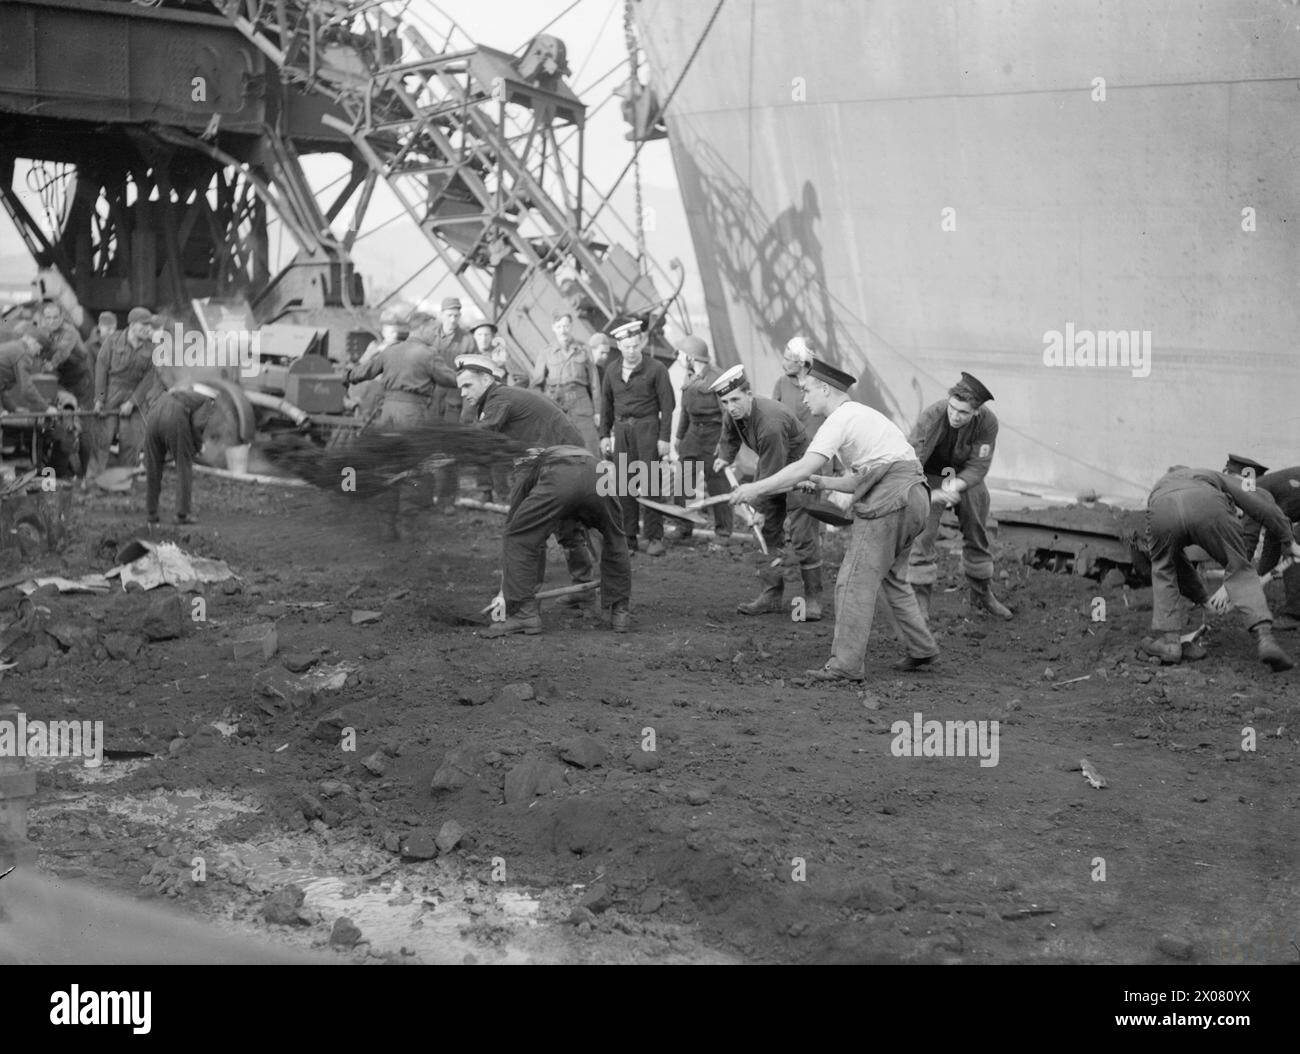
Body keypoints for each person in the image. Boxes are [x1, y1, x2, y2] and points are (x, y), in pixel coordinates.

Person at [730, 358, 940, 681]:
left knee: (852, 581)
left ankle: (846, 665)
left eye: (808, 390)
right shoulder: (864, 416)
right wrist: (824, 483)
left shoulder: (838, 420)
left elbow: (802, 467)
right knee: (893, 578)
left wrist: (754, 488)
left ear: (826, 389)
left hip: (891, 501)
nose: (803, 398)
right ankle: (922, 646)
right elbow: (864, 477)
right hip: (916, 497)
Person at [456, 352, 607, 619]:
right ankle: (583, 589)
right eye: (460, 388)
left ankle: (520, 602)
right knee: (568, 527)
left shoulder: (498, 398)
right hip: (572, 464)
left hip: (546, 465)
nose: (463, 393)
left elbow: (481, 437)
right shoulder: (507, 397)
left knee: (521, 529)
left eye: (468, 385)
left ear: (487, 379)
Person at [1143, 464, 1298, 670]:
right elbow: (1258, 502)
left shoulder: (1159, 487)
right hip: (1208, 505)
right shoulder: (1205, 474)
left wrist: (1202, 599)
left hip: (1163, 511)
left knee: (1164, 567)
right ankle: (1264, 637)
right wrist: (1289, 540)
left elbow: (1177, 565)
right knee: (1240, 569)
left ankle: (1170, 643)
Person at [712, 365, 825, 618]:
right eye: (725, 401)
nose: (730, 407)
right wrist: (724, 456)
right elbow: (730, 434)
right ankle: (771, 594)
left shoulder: (770, 423)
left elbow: (773, 474)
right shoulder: (733, 412)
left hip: (802, 472)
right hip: (773, 468)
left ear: (749, 394)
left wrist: (760, 509)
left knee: (802, 535)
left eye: (735, 400)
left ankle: (813, 599)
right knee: (764, 532)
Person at [906, 371, 1012, 620]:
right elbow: (912, 459)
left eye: (963, 412)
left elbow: (979, 465)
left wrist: (956, 486)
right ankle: (920, 599)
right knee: (923, 531)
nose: (954, 415)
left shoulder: (988, 422)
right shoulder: (933, 415)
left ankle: (982, 593)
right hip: (928, 475)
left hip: (963, 478)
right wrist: (932, 493)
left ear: (975, 412)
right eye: (952, 408)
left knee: (977, 522)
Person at [345, 312, 458, 540]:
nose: (437, 335)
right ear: (422, 329)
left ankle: (387, 525)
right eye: (434, 330)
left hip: (387, 414)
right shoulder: (428, 354)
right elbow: (450, 380)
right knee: (413, 470)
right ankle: (408, 526)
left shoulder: (390, 350)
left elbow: (361, 372)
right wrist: (471, 376)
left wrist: (347, 376)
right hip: (412, 414)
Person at [598, 319, 675, 556]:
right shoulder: (611, 370)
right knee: (624, 485)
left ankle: (654, 537)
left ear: (640, 342)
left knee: (650, 482)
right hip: (622, 431)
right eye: (626, 346)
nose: (631, 351)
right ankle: (628, 537)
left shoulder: (656, 369)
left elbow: (668, 406)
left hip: (648, 429)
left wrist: (664, 438)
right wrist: (604, 435)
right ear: (619, 346)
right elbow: (606, 405)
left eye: (635, 345)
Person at [1226, 454, 1300, 632]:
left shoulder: (1250, 493)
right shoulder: (1258, 487)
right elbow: (1270, 547)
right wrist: (1256, 586)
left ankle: (1293, 614)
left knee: (1291, 548)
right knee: (1279, 540)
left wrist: (1237, 577)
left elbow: (1249, 540)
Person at [670, 335, 733, 543]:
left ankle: (723, 533)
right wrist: (679, 437)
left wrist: (724, 446)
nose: (677, 357)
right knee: (683, 481)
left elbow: (728, 415)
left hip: (714, 434)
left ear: (690, 357)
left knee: (717, 485)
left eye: (680, 354)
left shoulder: (718, 377)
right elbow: (685, 412)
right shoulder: (689, 376)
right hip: (692, 433)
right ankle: (683, 526)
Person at [92, 306, 159, 473]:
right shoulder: (112, 342)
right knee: (102, 439)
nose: (148, 329)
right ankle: (93, 480)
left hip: (135, 395)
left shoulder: (152, 349)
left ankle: (123, 482)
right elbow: (101, 370)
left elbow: (148, 379)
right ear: (132, 324)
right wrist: (99, 399)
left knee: (131, 442)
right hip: (111, 392)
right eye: (144, 325)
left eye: (149, 326)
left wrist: (132, 402)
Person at [144, 383, 218, 525]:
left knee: (153, 467)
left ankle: (151, 513)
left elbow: (189, 423)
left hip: (153, 413)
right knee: (184, 466)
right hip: (174, 417)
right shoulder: (206, 401)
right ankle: (182, 514)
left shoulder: (179, 393)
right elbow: (197, 425)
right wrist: (199, 445)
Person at [530, 309, 601, 456]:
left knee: (591, 447)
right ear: (553, 328)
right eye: (559, 327)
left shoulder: (583, 349)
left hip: (582, 403)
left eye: (566, 326)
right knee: (565, 451)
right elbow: (537, 384)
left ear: (571, 326)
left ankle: (596, 477)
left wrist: (598, 411)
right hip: (558, 406)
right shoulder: (546, 352)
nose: (563, 330)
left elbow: (595, 382)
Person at [428, 297, 476, 511]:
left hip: (454, 402)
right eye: (449, 315)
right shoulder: (429, 336)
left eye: (457, 315)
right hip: (430, 399)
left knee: (450, 452)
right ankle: (427, 498)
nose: (453, 319)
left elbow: (474, 373)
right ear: (441, 314)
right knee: (427, 449)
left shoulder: (467, 340)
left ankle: (448, 500)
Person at [37, 301, 94, 410]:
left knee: (81, 413)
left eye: (55, 317)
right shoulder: (43, 331)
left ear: (62, 317)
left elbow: (63, 351)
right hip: (60, 379)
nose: (51, 321)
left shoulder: (70, 331)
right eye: (48, 318)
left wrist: (51, 364)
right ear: (43, 318)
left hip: (79, 379)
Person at [772, 336, 825, 435]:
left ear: (801, 362)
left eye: (788, 360)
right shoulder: (782, 383)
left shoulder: (823, 385)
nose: (783, 364)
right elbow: (773, 419)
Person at [0, 322, 57, 413]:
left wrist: (13, 409)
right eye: (40, 350)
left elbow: (2, 389)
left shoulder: (14, 347)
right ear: (34, 342)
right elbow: (27, 389)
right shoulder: (23, 353)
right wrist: (46, 408)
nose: (38, 354)